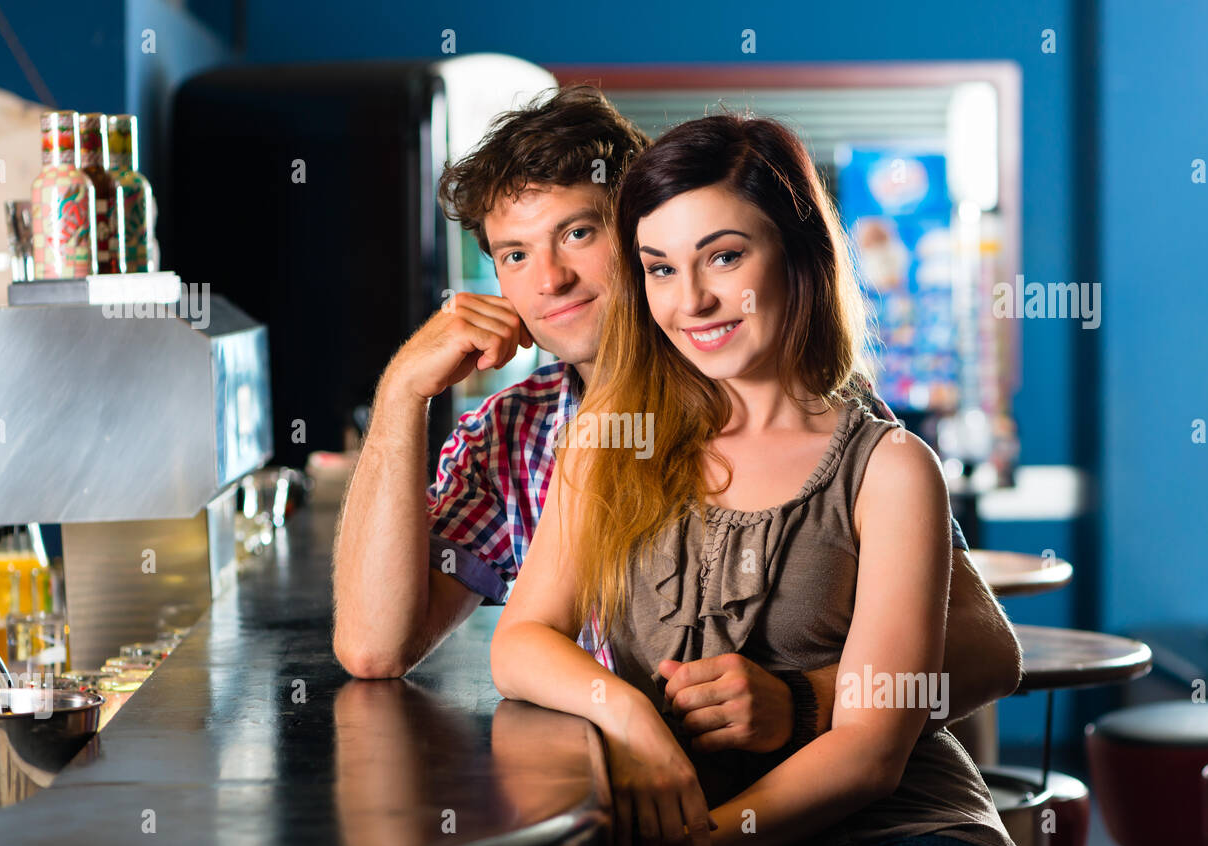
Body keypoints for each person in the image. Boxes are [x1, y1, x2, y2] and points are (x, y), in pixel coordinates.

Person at [332, 84, 1020, 774]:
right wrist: (401, 393)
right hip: (614, 794)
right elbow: (374, 649)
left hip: (803, 790)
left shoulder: (782, 394)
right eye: (514, 255)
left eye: (577, 233)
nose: (550, 279)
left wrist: (802, 699)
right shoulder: (511, 433)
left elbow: (985, 649)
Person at [489, 111, 1024, 846]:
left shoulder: (893, 466)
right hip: (679, 817)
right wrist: (629, 715)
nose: (693, 301)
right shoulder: (612, 437)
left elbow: (873, 751)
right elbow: (520, 641)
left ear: (800, 255)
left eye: (725, 257)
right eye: (661, 267)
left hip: (891, 834)